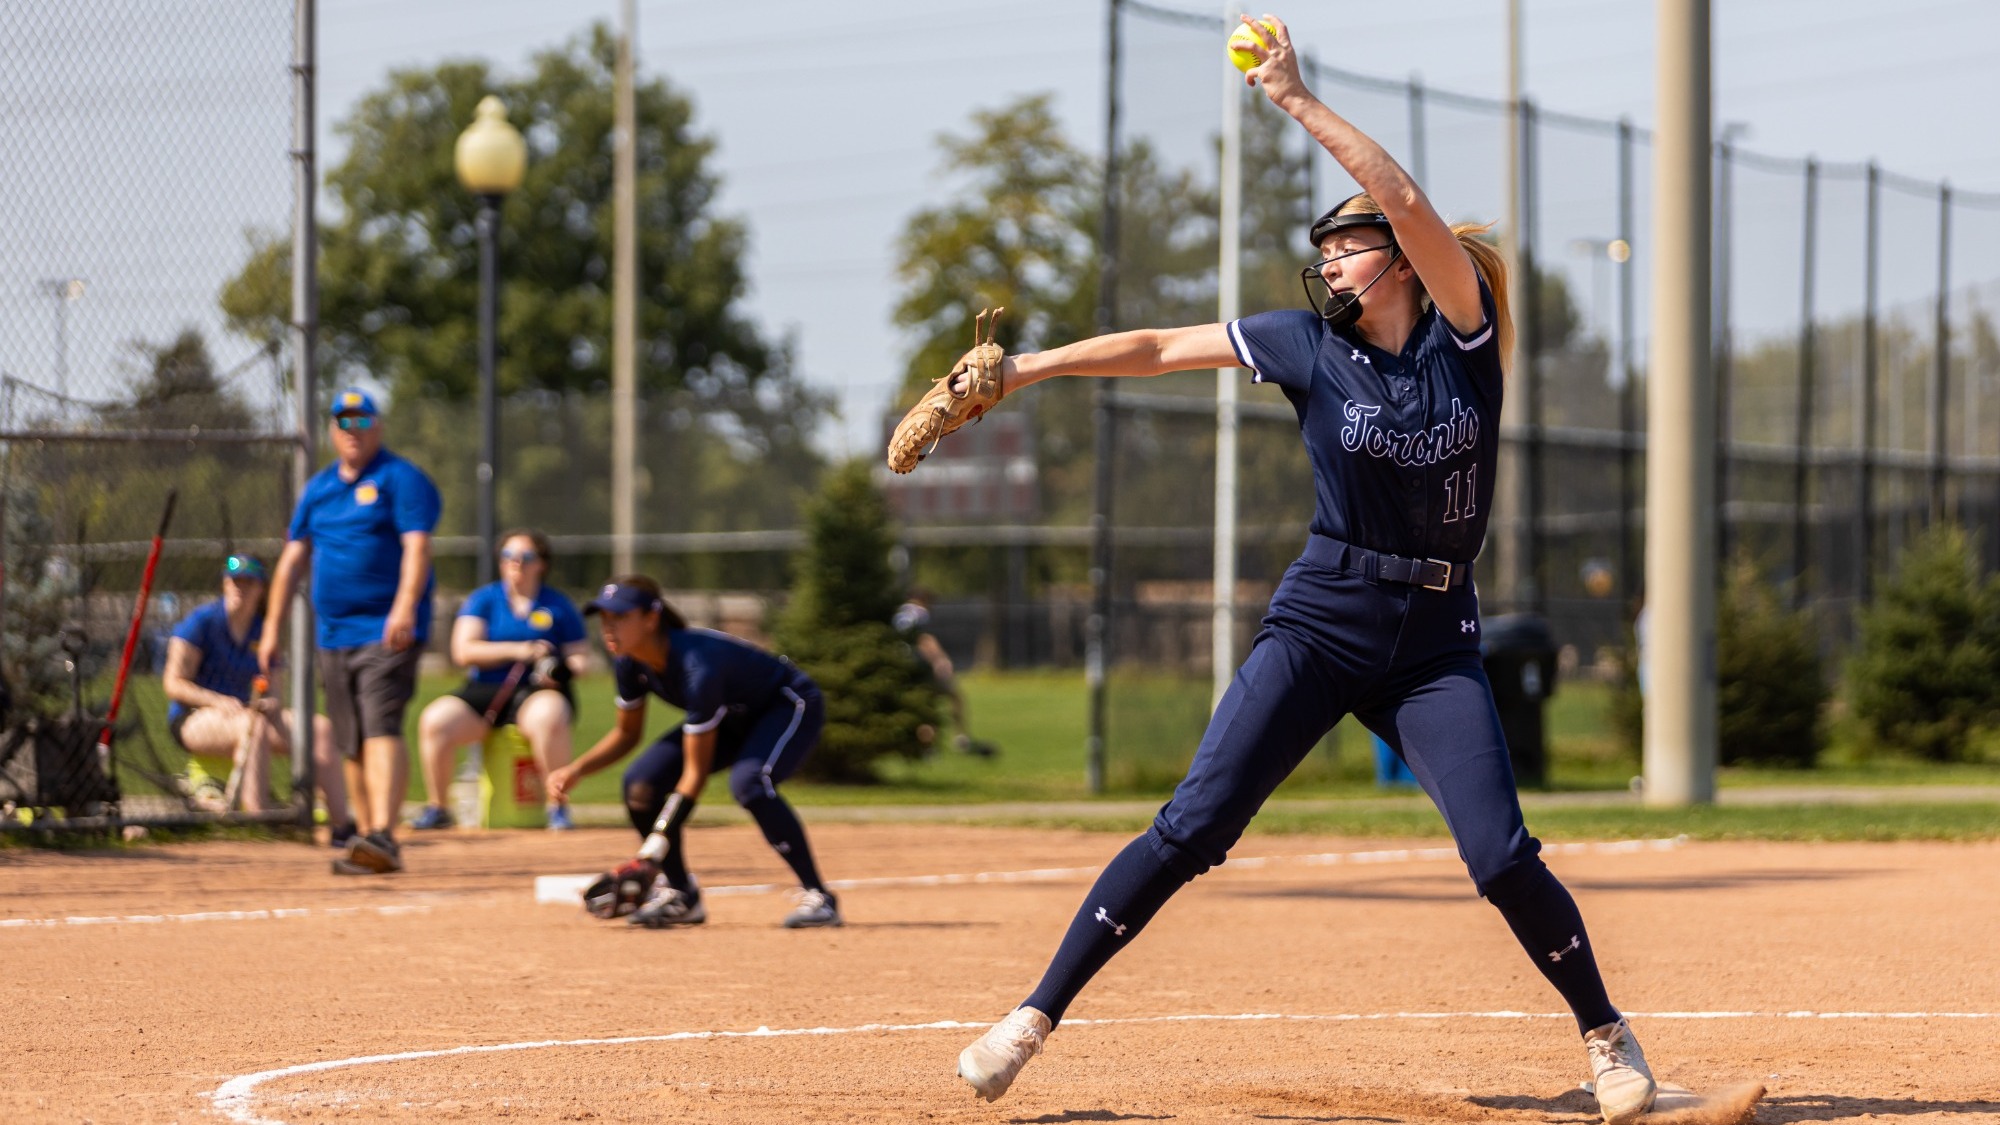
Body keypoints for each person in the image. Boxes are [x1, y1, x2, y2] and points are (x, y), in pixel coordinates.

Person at [952, 18, 1658, 1124]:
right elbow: (1158, 348)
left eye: (1347, 246)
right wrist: (1026, 369)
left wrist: (1291, 96)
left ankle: (1608, 1037)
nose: (1329, 261)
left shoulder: (1461, 341)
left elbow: (1408, 201)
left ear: (1401, 261)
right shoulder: (1305, 343)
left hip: (1432, 643)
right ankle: (1029, 1019)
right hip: (1323, 619)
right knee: (1193, 827)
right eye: (1323, 250)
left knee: (1498, 854)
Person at [544, 575, 841, 929]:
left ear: (651, 619)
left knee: (750, 783)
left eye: (620, 617)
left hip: (787, 704)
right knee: (640, 784)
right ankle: (682, 895)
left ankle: (820, 897)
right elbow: (626, 734)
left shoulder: (697, 666)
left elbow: (694, 776)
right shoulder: (629, 662)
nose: (608, 627)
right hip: (731, 716)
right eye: (604, 618)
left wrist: (653, 848)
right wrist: (577, 770)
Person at [259, 387, 440, 876]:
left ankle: (384, 833)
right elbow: (292, 560)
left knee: (380, 723)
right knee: (351, 739)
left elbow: (417, 547)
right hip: (334, 632)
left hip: (387, 628)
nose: (353, 430)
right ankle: (367, 837)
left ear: (378, 427)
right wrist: (271, 628)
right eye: (344, 422)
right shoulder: (319, 488)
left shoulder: (400, 478)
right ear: (332, 430)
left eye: (362, 421)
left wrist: (404, 606)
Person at [411, 529, 589, 831]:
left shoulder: (558, 605)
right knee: (435, 720)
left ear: (541, 563)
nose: (515, 563)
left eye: (525, 557)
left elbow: (580, 658)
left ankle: (557, 806)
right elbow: (463, 651)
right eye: (508, 556)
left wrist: (558, 669)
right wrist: (520, 650)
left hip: (536, 691)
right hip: (486, 689)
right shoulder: (484, 600)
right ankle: (438, 807)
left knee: (549, 715)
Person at [162, 554, 349, 835]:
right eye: (234, 580)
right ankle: (258, 821)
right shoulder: (202, 622)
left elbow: (275, 691)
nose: (240, 587)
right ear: (225, 583)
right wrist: (216, 700)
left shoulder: (263, 631)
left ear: (261, 588)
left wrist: (271, 702)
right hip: (195, 717)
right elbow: (173, 683)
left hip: (248, 713)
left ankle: (342, 825)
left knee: (320, 729)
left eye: (248, 582)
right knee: (255, 727)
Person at [893, 589, 996, 757]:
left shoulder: (899, 614)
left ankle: (927, 747)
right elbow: (924, 639)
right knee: (953, 696)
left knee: (924, 705)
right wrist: (939, 659)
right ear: (922, 599)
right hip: (921, 666)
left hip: (903, 666)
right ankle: (959, 739)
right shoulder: (920, 613)